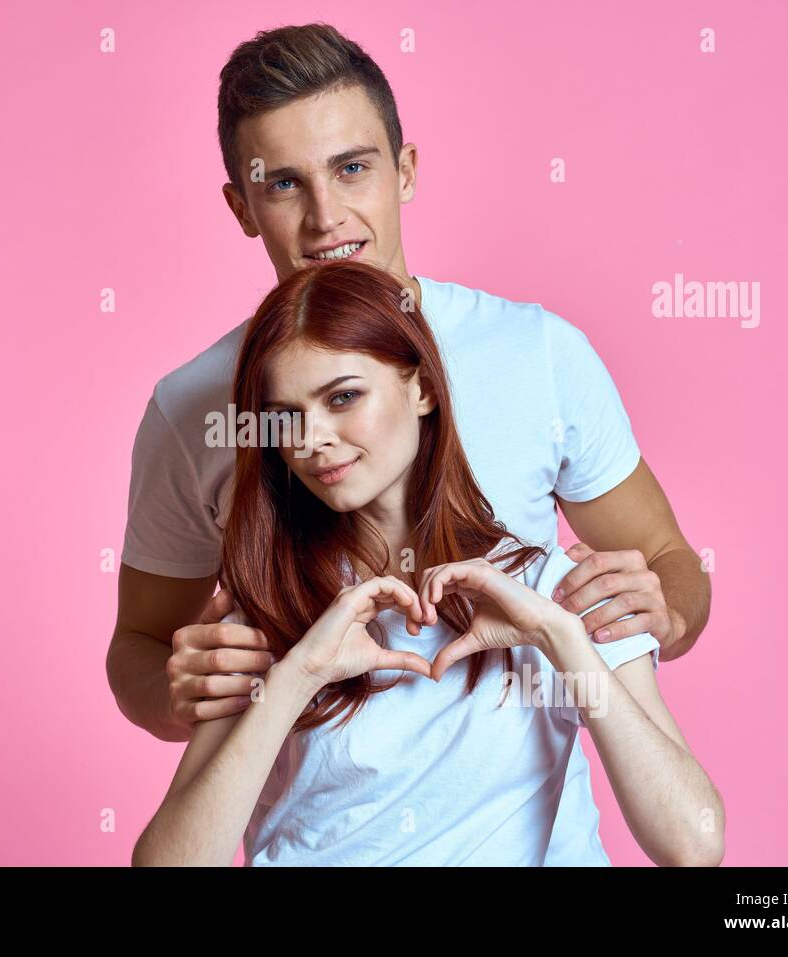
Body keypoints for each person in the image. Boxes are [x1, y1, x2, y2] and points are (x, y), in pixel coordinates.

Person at [107, 22, 712, 865]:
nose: (326, 217)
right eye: (283, 184)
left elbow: (670, 565)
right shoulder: (194, 412)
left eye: (352, 167)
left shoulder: (536, 354)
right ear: (241, 206)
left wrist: (654, 617)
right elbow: (141, 647)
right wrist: (190, 691)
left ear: (405, 170)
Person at [131, 260, 723, 866]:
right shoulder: (269, 611)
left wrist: (558, 635)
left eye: (343, 397)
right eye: (285, 416)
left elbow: (694, 842)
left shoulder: (550, 590)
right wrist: (298, 674)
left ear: (422, 390)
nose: (312, 439)